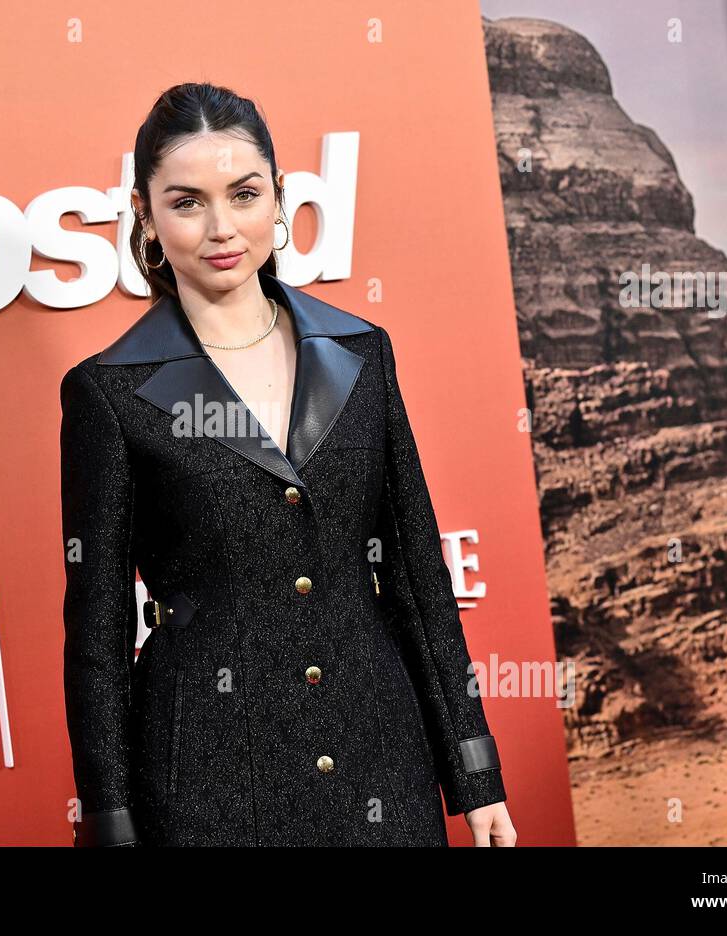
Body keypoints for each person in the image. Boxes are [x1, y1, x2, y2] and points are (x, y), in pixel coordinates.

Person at [60, 81, 516, 846]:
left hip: (382, 758)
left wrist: (473, 771)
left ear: (280, 196)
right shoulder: (108, 394)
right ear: (143, 213)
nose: (221, 228)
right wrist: (110, 824)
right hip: (210, 779)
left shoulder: (362, 354)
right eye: (186, 202)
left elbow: (417, 579)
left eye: (243, 194)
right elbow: (99, 637)